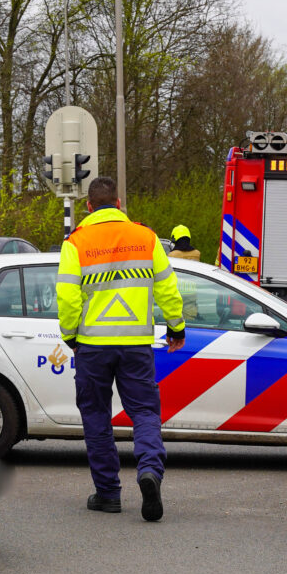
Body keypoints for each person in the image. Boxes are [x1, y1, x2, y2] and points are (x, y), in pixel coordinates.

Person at [58, 176, 185, 522]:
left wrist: (70, 335)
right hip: (135, 345)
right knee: (144, 412)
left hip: (93, 347)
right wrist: (176, 326)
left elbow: (68, 296)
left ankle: (108, 494)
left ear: (88, 206)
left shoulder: (76, 242)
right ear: (118, 204)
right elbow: (167, 288)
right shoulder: (146, 237)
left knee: (97, 416)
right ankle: (149, 472)